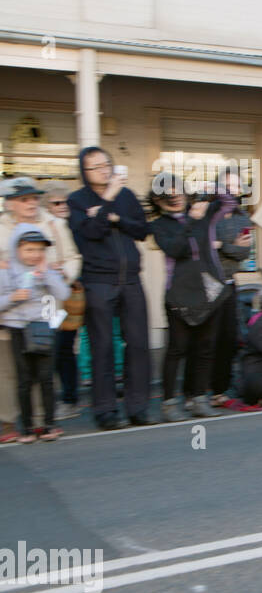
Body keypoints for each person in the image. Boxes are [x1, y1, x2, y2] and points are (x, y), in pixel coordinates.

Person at [67, 147, 154, 429]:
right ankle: (105, 410)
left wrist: (113, 217)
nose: (104, 170)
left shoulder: (126, 195)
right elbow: (90, 233)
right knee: (102, 346)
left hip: (130, 278)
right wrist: (106, 202)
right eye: (95, 167)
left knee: (139, 344)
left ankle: (138, 407)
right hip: (98, 280)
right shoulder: (77, 200)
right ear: (85, 172)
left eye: (106, 164)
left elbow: (142, 230)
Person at [0, 177, 81, 438]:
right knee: (12, 369)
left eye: (34, 198)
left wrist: (61, 274)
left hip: (46, 304)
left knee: (45, 366)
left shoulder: (54, 224)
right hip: (11, 309)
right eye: (24, 199)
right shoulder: (1, 227)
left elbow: (72, 257)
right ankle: (10, 421)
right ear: (10, 203)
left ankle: (43, 419)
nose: (31, 204)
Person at [149, 177, 225, 421]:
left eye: (179, 191)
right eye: (169, 194)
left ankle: (198, 398)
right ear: (158, 200)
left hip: (207, 290)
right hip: (178, 294)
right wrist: (191, 219)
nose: (176, 197)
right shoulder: (159, 225)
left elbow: (229, 200)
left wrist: (212, 187)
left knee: (205, 347)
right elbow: (175, 249)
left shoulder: (202, 215)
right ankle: (170, 402)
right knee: (177, 348)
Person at [0, 226, 71, 442]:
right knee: (24, 379)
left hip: (43, 326)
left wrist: (47, 273)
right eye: (29, 250)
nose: (34, 254)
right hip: (18, 328)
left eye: (39, 250)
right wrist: (13, 297)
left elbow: (63, 293)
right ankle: (28, 428)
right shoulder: (6, 270)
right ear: (17, 249)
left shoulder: (46, 269)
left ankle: (49, 425)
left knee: (46, 378)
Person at [208, 169, 253, 407]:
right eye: (227, 185)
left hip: (228, 283)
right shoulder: (207, 214)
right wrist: (229, 246)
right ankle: (196, 390)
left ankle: (219, 390)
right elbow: (203, 246)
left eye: (236, 186)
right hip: (204, 282)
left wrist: (222, 245)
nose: (232, 190)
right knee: (205, 338)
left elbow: (244, 253)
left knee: (227, 338)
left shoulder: (242, 218)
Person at [40, 182, 83, 420]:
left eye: (65, 202)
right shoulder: (46, 225)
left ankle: (69, 398)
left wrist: (66, 271)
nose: (62, 206)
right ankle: (52, 401)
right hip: (47, 298)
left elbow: (75, 257)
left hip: (69, 295)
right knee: (51, 347)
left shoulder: (72, 224)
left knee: (66, 347)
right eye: (56, 202)